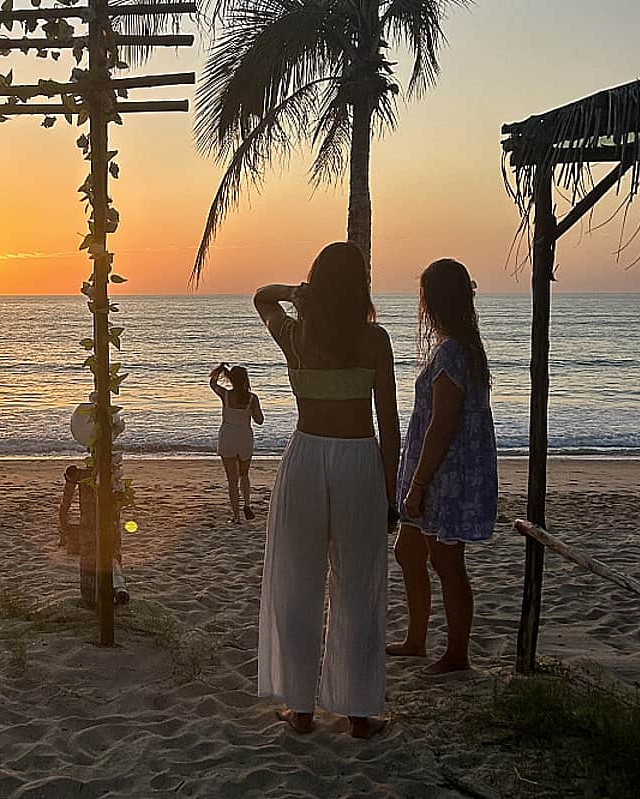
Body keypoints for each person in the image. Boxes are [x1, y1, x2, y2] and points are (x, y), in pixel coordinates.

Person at [253, 241, 399, 739]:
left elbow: (261, 298)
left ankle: (301, 709)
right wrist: (391, 491)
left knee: (298, 584)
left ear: (316, 284)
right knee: (359, 586)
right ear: (361, 286)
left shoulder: (297, 335)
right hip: (359, 459)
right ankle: (358, 712)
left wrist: (296, 293)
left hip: (307, 457)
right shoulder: (375, 340)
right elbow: (391, 424)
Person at [388, 259, 497, 674]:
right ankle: (416, 640)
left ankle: (455, 654)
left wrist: (418, 483)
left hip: (443, 475)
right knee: (408, 551)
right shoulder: (460, 346)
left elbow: (443, 423)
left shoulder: (453, 352)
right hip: (437, 470)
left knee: (448, 562)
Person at [210, 362, 264, 522]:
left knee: (231, 479)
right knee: (244, 474)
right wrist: (250, 412)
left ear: (232, 380)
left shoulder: (225, 395)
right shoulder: (252, 398)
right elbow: (260, 420)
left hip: (228, 436)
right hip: (244, 436)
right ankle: (246, 504)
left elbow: (212, 383)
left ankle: (236, 517)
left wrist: (220, 369)